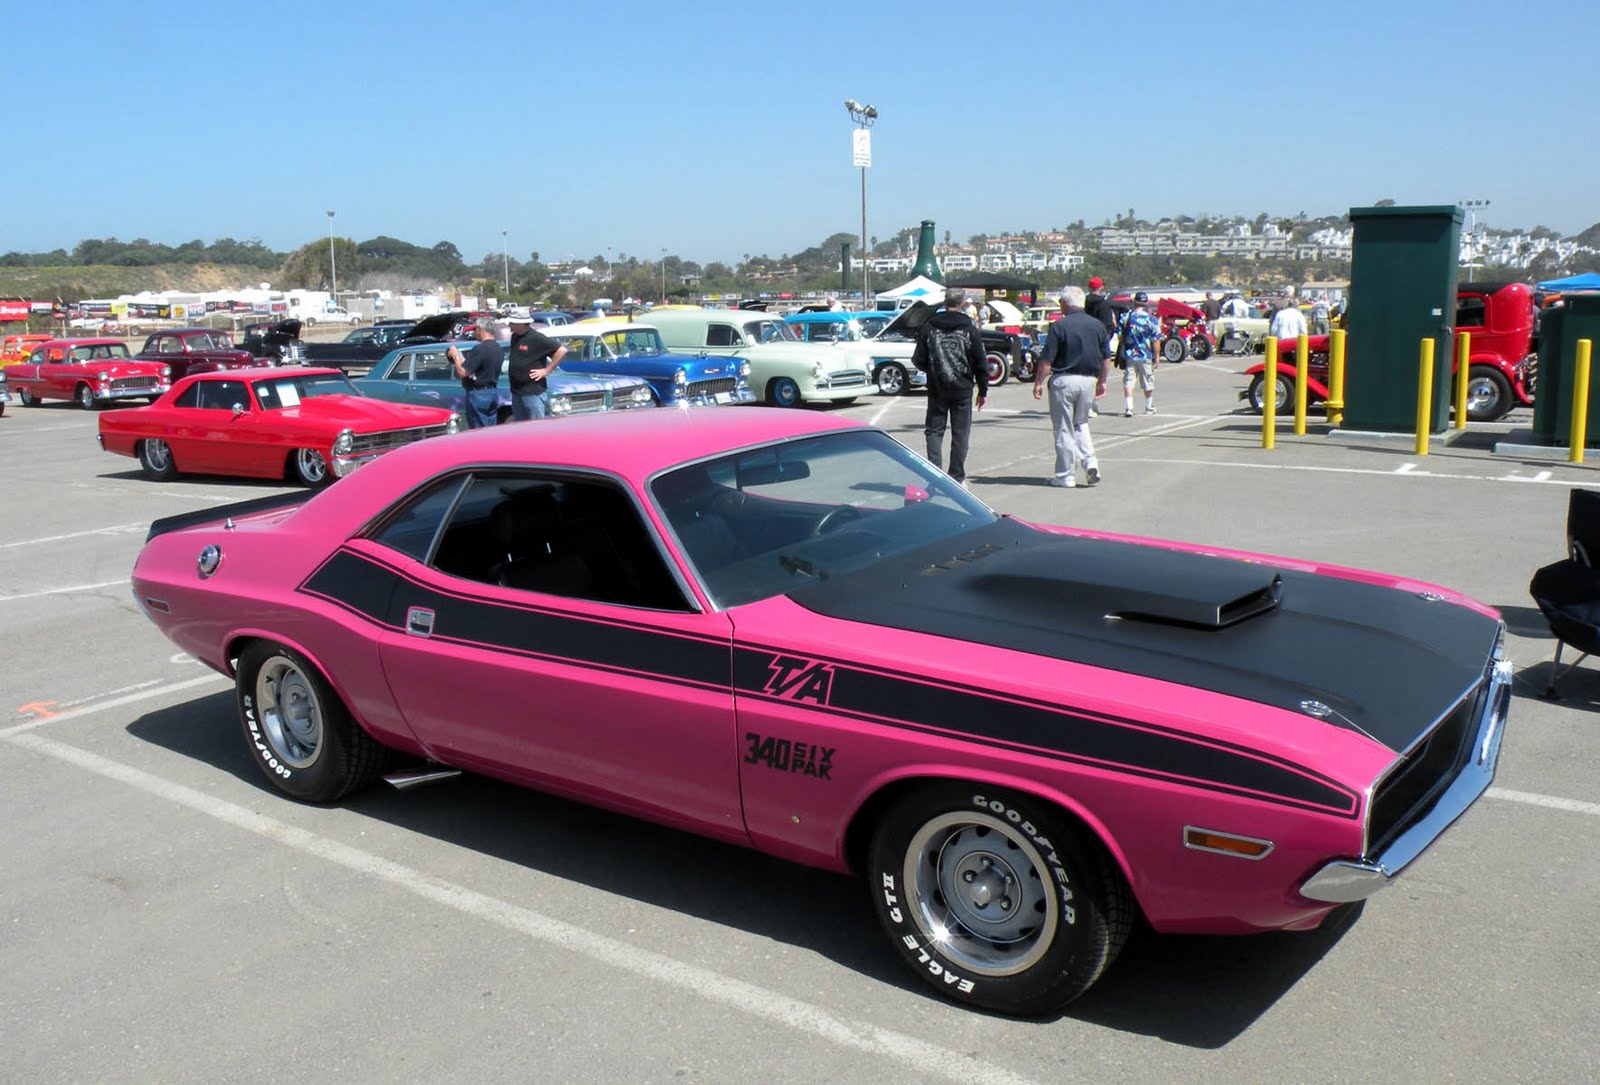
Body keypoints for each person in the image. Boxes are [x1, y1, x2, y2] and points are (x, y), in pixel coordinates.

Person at [1033, 286, 1111, 488]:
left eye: (1061, 302)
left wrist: (1039, 382)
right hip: (1088, 380)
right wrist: (1102, 381)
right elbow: (1105, 358)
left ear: (1066, 303)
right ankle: (1090, 462)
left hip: (1064, 379)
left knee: (1063, 428)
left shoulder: (1059, 326)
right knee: (1081, 423)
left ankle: (1066, 474)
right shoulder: (1097, 326)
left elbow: (1047, 359)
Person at [912, 287, 989, 484]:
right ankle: (956, 476)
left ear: (944, 303)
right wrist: (983, 389)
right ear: (962, 304)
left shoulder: (929, 328)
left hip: (937, 387)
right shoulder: (969, 329)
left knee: (934, 431)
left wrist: (931, 369)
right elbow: (980, 362)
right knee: (960, 433)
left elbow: (918, 359)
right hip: (962, 387)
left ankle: (936, 475)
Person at [505, 308, 567, 421]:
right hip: (517, 392)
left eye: (512, 323)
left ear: (522, 323)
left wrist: (547, 370)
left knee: (535, 427)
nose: (510, 325)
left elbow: (562, 350)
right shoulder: (515, 337)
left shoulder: (536, 338)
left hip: (533, 393)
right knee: (520, 428)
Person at [446, 319, 504, 429]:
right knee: (490, 427)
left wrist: (455, 356)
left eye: (475, 330)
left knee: (478, 429)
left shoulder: (480, 349)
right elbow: (474, 368)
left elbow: (463, 372)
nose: (474, 333)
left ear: (481, 330)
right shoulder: (498, 348)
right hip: (492, 391)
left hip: (478, 393)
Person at [1116, 291, 1161, 415]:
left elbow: (1120, 336)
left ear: (1134, 302)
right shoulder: (1151, 319)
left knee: (1129, 381)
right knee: (1147, 381)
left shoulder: (1125, 317)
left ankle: (1129, 408)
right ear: (1146, 303)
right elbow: (1155, 340)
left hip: (1130, 354)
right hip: (1145, 354)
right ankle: (1148, 407)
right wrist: (1157, 357)